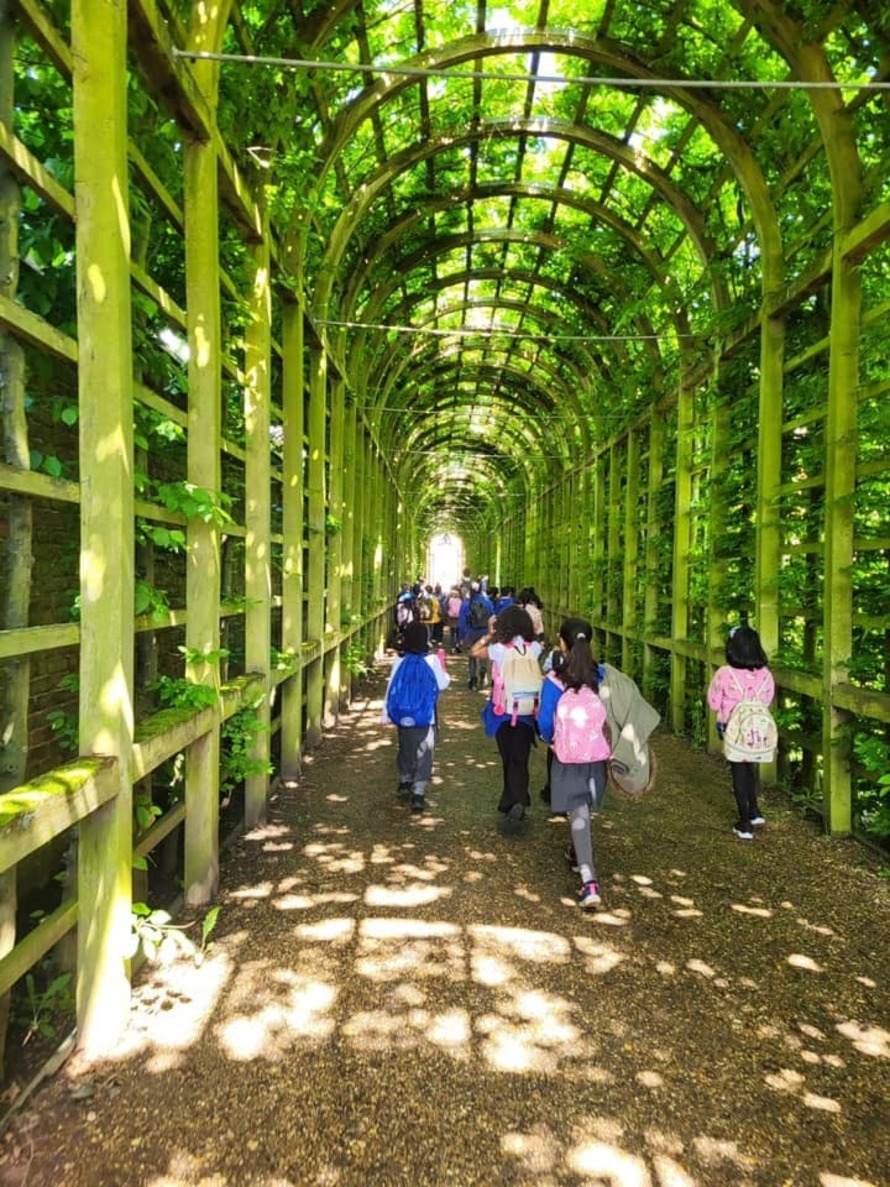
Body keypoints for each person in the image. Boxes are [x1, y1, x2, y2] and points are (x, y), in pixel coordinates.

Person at [537, 619, 611, 909]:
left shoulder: (556, 680)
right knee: (583, 811)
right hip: (597, 755)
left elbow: (545, 722)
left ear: (562, 643)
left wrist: (550, 740)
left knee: (578, 811)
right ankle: (577, 850)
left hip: (568, 755)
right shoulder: (601, 676)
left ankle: (589, 881)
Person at [470, 605, 543, 833]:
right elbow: (540, 641)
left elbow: (474, 651)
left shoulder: (499, 650)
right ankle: (516, 799)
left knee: (508, 758)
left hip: (503, 711)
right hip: (527, 713)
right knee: (521, 758)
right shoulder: (534, 649)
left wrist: (489, 634)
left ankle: (515, 800)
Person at [707, 624, 775, 840]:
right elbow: (767, 701)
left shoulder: (725, 673)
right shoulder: (766, 675)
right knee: (750, 768)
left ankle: (744, 823)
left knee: (738, 771)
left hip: (732, 727)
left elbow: (713, 702)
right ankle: (755, 812)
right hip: (757, 730)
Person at [382, 621, 450, 813]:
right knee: (425, 751)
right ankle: (418, 792)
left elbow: (391, 687)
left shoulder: (400, 660)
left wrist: (385, 713)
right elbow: (442, 684)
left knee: (405, 747)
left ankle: (405, 780)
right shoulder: (432, 660)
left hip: (403, 713)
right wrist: (445, 672)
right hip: (425, 716)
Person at [459, 582, 494, 689]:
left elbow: (462, 621)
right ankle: (483, 671)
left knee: (472, 655)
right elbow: (492, 617)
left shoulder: (467, 603)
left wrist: (461, 636)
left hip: (471, 632)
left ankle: (473, 678)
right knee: (484, 654)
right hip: (484, 632)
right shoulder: (487, 602)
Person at [444, 586, 463, 652]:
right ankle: (457, 644)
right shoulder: (460, 601)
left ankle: (452, 648)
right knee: (458, 632)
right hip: (458, 618)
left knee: (452, 633)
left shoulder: (450, 600)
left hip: (451, 618)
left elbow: (446, 606)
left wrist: (446, 614)